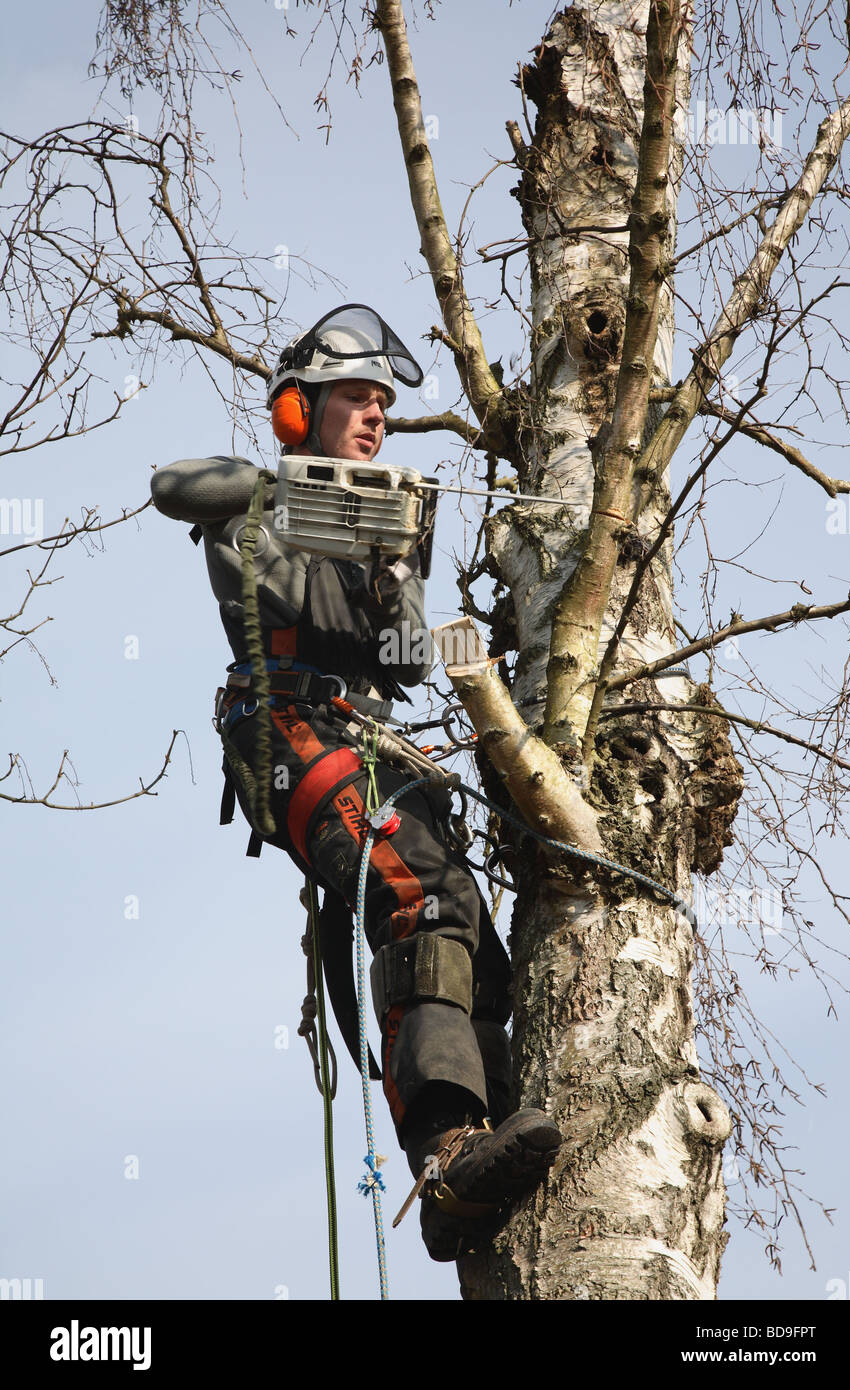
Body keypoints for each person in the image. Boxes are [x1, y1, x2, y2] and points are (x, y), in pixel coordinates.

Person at [151, 304, 561, 1261]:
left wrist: (408, 587)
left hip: (368, 739)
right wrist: (285, 491)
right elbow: (170, 483)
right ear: (303, 410)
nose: (374, 417)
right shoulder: (252, 502)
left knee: (467, 927)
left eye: (383, 403)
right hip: (289, 724)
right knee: (418, 896)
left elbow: (409, 660)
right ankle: (446, 1146)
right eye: (355, 399)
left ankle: (487, 1150)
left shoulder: (395, 525)